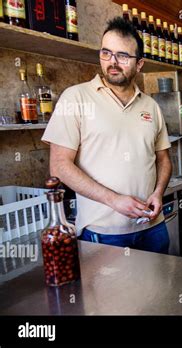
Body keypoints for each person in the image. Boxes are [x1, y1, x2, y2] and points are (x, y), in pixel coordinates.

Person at [41, 17, 172, 254]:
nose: (112, 62)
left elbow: (163, 159)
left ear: (139, 64)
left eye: (122, 56)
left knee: (159, 291)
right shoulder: (76, 98)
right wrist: (114, 200)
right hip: (102, 235)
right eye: (106, 53)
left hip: (153, 228)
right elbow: (59, 166)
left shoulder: (151, 106)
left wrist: (158, 192)